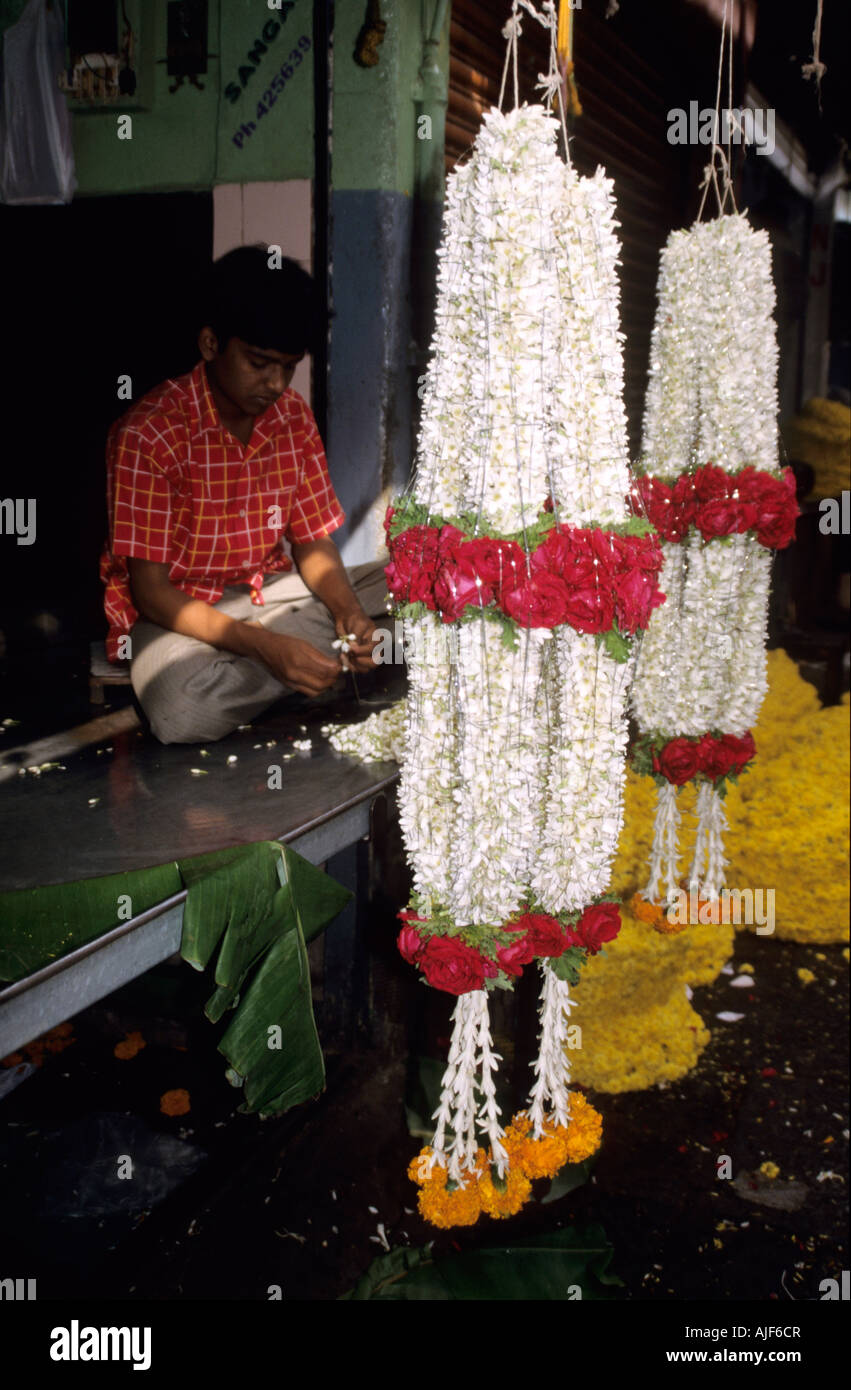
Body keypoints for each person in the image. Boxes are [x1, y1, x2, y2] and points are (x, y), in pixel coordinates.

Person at [100, 245, 386, 744]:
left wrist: (347, 612)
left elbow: (313, 543)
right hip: (181, 615)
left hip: (273, 592)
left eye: (289, 366)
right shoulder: (148, 434)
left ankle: (316, 654)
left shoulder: (292, 416)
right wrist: (265, 645)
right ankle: (314, 662)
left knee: (409, 584)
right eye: (259, 363)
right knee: (181, 712)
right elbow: (152, 593)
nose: (276, 384)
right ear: (211, 343)